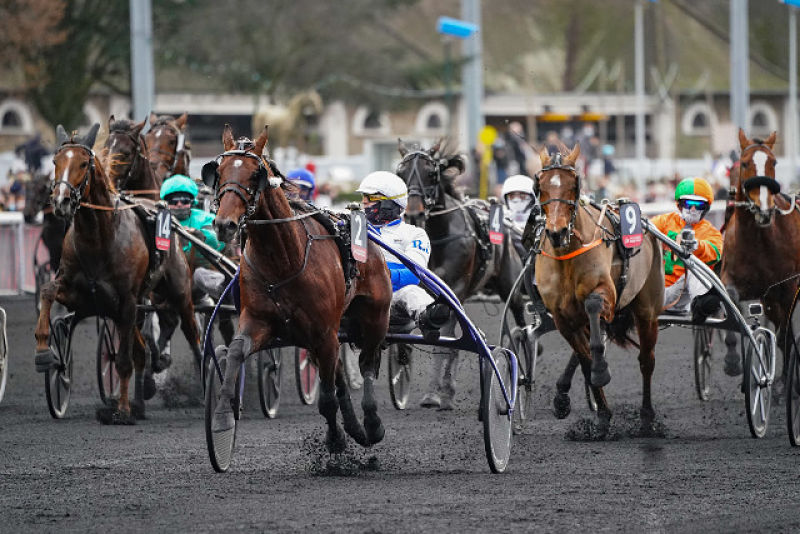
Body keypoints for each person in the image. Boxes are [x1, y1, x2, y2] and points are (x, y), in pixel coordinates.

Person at [347, 171, 450, 388]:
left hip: (394, 305)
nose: (363, 203)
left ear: (389, 204)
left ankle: (428, 317)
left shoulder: (414, 235)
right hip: (355, 304)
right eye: (363, 198)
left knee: (412, 292)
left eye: (370, 199)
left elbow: (414, 273)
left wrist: (376, 277)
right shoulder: (352, 229)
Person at [651, 177, 723, 322]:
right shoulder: (664, 221)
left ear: (706, 208)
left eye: (699, 205)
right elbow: (644, 230)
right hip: (652, 290)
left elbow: (715, 253)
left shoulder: (711, 232)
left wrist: (697, 246)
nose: (693, 209)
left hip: (680, 295)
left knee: (694, 269)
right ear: (680, 204)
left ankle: (703, 305)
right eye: (689, 203)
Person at [501, 174, 537, 260]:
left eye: (522, 196)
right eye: (512, 196)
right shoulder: (500, 220)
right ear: (505, 199)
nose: (516, 200)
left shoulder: (539, 220)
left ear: (532, 198)